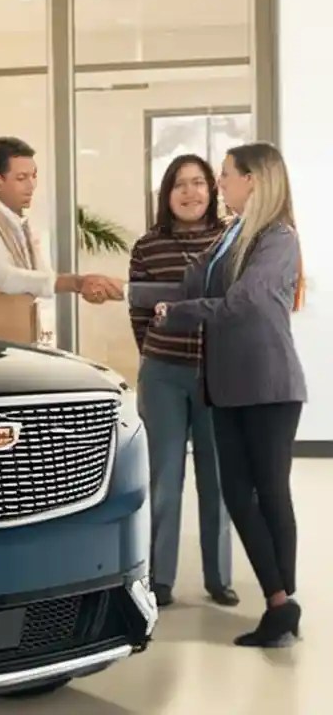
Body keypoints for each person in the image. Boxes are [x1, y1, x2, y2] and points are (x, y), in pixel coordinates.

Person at [152, 141, 306, 648]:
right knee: (239, 495)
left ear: (253, 181)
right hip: (227, 386)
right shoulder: (230, 237)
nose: (219, 185)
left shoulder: (277, 237)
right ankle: (282, 602)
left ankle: (280, 605)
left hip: (267, 385)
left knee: (271, 493)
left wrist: (184, 311)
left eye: (226, 176)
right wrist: (133, 291)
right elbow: (189, 282)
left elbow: (247, 302)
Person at [128, 154, 236, 608]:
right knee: (163, 478)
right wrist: (157, 351)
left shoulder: (232, 239)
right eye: (180, 185)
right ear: (166, 195)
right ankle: (161, 579)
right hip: (163, 375)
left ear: (212, 190)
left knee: (218, 479)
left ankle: (218, 577)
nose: (190, 193)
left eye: (199, 183)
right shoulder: (148, 245)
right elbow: (138, 312)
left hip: (220, 376)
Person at [0, 136, 123, 345]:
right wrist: (76, 282)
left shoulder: (21, 224)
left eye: (34, 176)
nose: (31, 185)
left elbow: (42, 277)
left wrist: (97, 286)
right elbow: (5, 277)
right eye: (22, 177)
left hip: (22, 349)